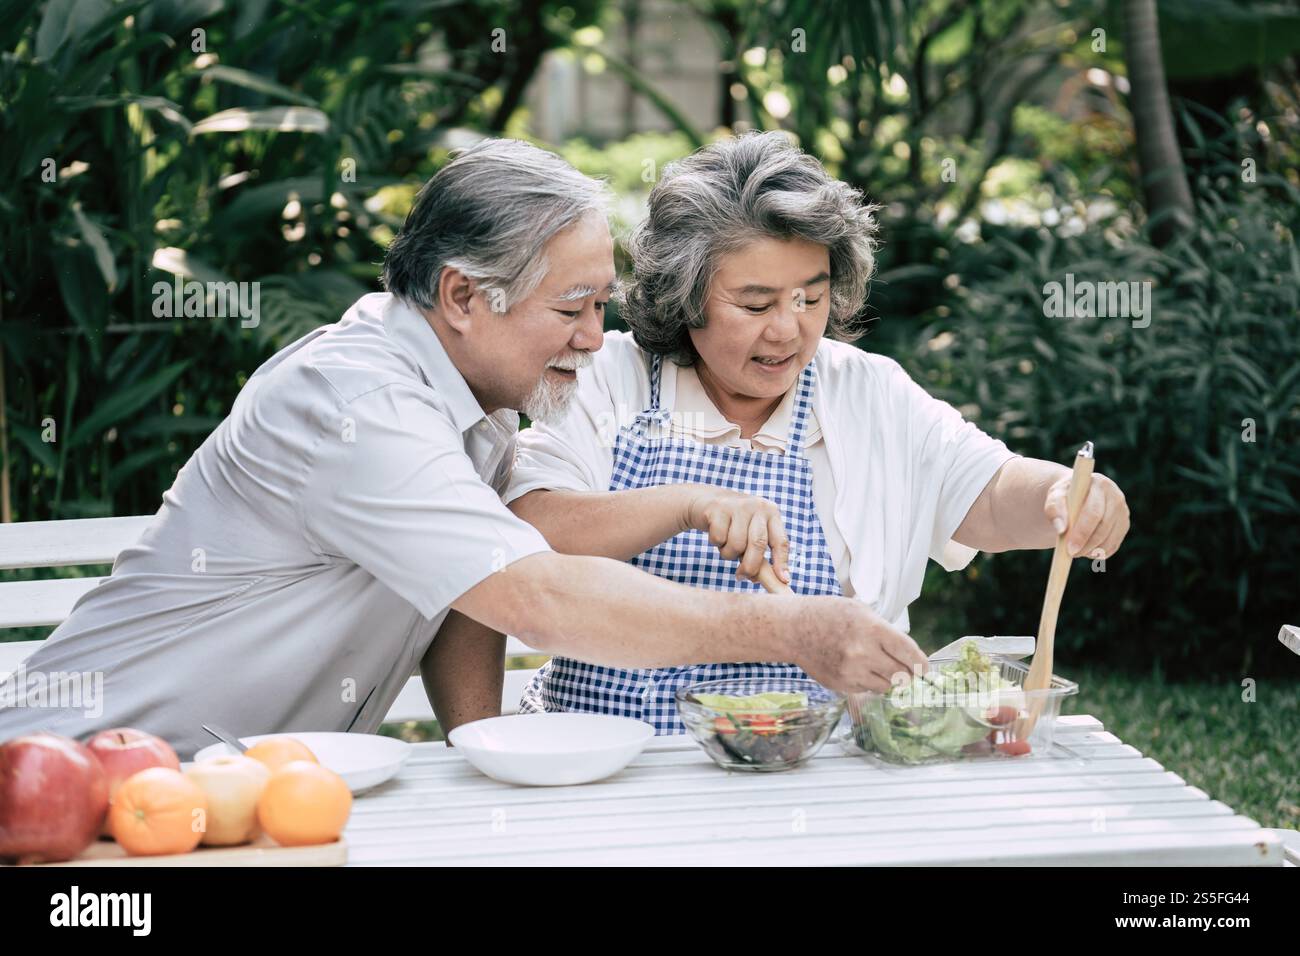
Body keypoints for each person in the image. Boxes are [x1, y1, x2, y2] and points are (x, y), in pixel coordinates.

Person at [0, 138, 928, 757]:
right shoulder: (356, 405)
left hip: (227, 790)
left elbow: (469, 594)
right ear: (459, 296)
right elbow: (539, 595)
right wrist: (793, 631)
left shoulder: (473, 405)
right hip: (79, 776)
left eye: (601, 303)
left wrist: (482, 759)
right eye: (572, 309)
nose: (594, 337)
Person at [504, 132, 1131, 733]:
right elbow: (534, 531)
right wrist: (689, 506)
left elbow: (988, 495)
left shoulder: (867, 393)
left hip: (815, 767)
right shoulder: (609, 377)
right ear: (684, 295)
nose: (789, 329)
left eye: (812, 296)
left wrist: (1064, 496)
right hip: (615, 762)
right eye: (756, 305)